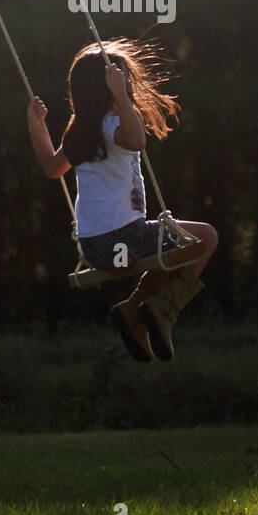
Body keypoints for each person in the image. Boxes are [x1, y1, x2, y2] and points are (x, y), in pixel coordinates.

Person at [26, 38, 218, 363]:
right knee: (206, 236)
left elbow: (50, 168)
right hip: (125, 241)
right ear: (108, 88)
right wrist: (120, 98)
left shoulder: (78, 133)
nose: (128, 85)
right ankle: (163, 310)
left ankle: (134, 312)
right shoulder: (113, 125)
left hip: (96, 250)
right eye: (121, 81)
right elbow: (137, 140)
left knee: (163, 252)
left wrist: (35, 127)